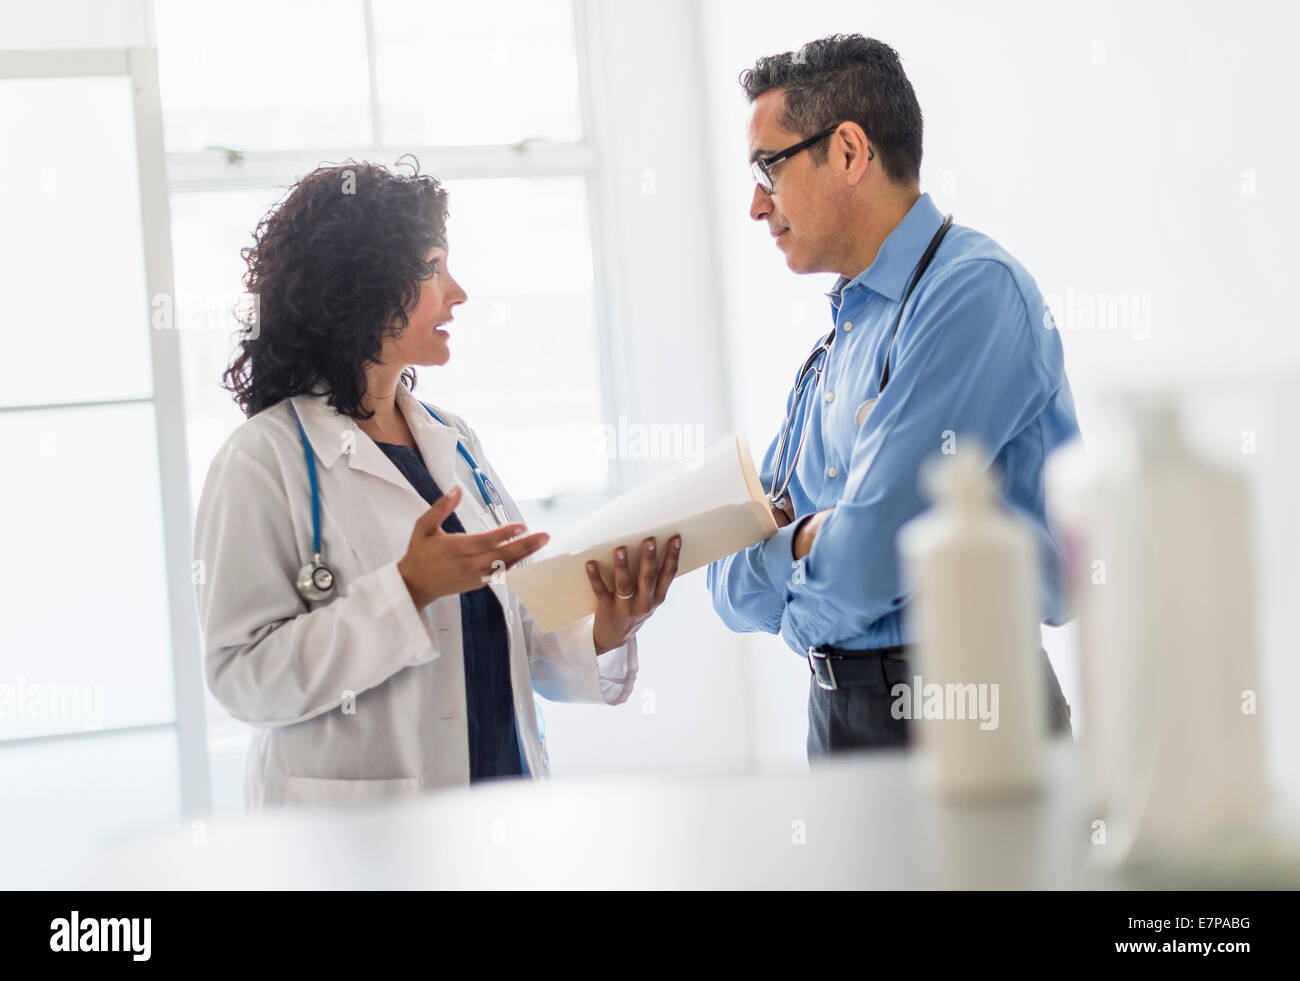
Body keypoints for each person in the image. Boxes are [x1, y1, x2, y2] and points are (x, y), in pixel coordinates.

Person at [194, 160, 681, 808]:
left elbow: (517, 642)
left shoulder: (454, 440)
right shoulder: (262, 461)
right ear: (360, 286)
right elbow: (242, 679)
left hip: (498, 815)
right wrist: (406, 589)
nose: (457, 292)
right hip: (356, 842)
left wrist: (607, 628)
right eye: (431, 268)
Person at [707, 35, 1079, 760]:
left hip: (970, 710)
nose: (756, 204)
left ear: (848, 152)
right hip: (839, 718)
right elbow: (725, 580)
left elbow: (868, 559)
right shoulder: (837, 344)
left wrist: (794, 570)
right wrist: (812, 541)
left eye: (768, 167)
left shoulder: (972, 292)